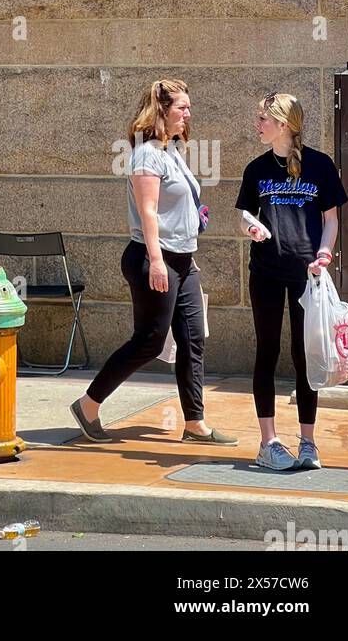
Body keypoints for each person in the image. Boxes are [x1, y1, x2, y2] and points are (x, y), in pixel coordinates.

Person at [70, 79, 237, 445]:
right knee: (148, 340)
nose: (188, 113)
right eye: (182, 107)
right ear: (162, 111)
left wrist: (192, 220)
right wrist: (158, 261)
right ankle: (88, 405)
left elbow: (173, 203)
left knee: (193, 340)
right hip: (152, 258)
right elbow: (147, 212)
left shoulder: (171, 150)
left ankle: (195, 423)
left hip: (183, 260)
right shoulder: (146, 153)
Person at [237, 92, 348, 471]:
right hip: (265, 272)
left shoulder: (320, 165)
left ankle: (308, 443)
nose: (258, 125)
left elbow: (331, 219)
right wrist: (252, 226)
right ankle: (268, 442)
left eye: (263, 119)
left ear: (283, 124)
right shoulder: (256, 169)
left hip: (308, 276)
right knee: (266, 351)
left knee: (306, 357)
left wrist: (324, 254)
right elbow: (244, 216)